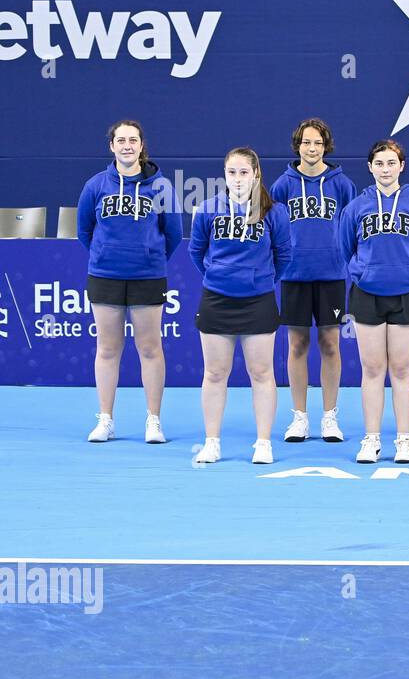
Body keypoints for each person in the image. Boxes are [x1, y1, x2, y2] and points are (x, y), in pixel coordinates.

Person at [76, 119, 181, 444]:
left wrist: (148, 256)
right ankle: (105, 420)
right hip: (105, 275)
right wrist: (106, 254)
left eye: (132, 140)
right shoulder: (96, 185)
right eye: (120, 140)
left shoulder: (160, 186)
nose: (126, 146)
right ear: (111, 146)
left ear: (141, 145)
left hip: (147, 276)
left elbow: (174, 233)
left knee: (150, 348)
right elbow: (84, 230)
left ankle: (154, 421)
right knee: (107, 349)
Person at [189, 147, 292, 464]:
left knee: (261, 373)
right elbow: (197, 252)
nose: (237, 179)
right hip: (217, 299)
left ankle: (263, 443)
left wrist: (259, 281)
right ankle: (212, 441)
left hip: (258, 301)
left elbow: (284, 256)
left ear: (256, 175)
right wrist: (220, 277)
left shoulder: (274, 213)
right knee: (215, 373)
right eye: (231, 172)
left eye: (243, 172)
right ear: (224, 175)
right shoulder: (207, 210)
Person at [339, 140, 409, 465]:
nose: (385, 169)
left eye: (391, 163)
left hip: (407, 292)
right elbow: (345, 248)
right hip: (367, 293)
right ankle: (371, 439)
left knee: (401, 367)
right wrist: (362, 271)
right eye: (379, 163)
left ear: (402, 165)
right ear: (370, 167)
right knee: (372, 368)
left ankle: (404, 440)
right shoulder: (356, 207)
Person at [270, 118, 357, 444]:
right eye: (306, 142)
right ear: (298, 146)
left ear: (326, 147)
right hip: (294, 276)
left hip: (332, 275)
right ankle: (299, 417)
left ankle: (329, 417)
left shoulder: (341, 184)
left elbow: (352, 228)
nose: (311, 148)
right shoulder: (282, 185)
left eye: (318, 143)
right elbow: (275, 230)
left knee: (330, 344)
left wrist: (345, 260)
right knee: (297, 345)